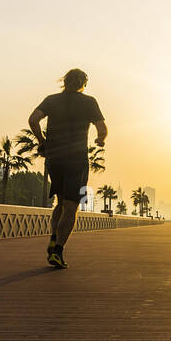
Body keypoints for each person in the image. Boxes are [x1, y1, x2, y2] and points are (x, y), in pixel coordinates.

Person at [28, 69, 107, 268]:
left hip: (54, 159)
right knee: (72, 206)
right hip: (76, 160)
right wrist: (100, 140)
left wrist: (42, 140)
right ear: (83, 84)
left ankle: (53, 237)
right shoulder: (89, 102)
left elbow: (33, 120)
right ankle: (58, 251)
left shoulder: (51, 100)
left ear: (64, 82)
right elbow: (102, 129)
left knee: (60, 202)